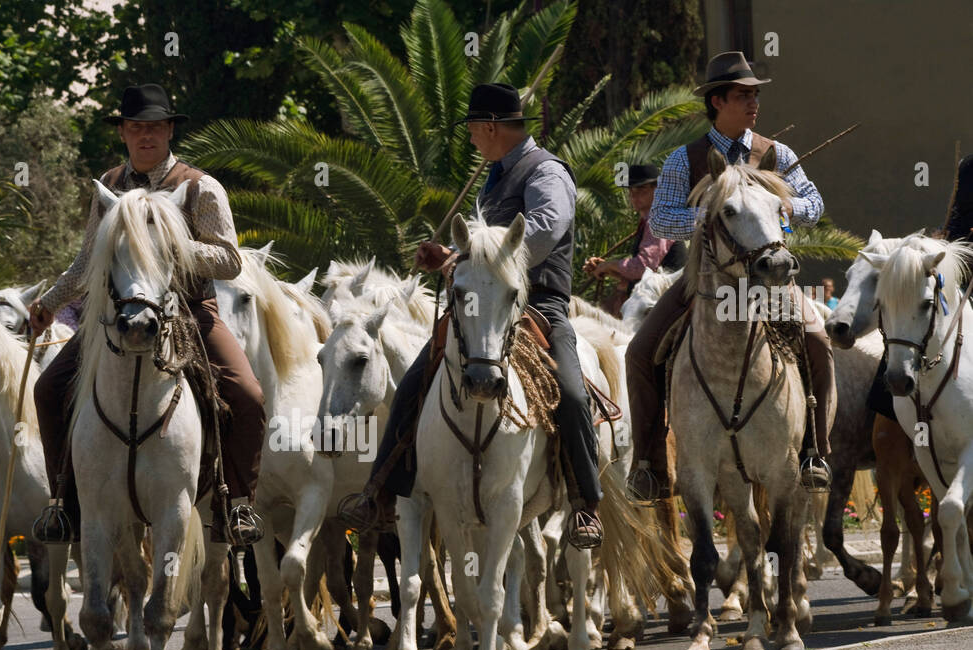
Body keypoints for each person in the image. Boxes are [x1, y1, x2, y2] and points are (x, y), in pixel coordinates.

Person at [339, 82, 603, 548]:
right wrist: (449, 257)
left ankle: (586, 503)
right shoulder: (495, 174)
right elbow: (481, 250)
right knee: (417, 379)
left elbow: (540, 235)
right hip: (479, 304)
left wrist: (475, 257)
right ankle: (380, 490)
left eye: (474, 132)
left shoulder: (546, 174)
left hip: (538, 303)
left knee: (573, 393)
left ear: (490, 127)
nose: (471, 140)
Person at [28, 84, 264, 546]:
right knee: (48, 388)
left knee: (249, 395)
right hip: (117, 314)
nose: (145, 136)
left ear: (170, 130)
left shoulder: (200, 187)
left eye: (154, 127)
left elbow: (231, 261)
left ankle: (235, 505)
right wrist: (49, 304)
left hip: (190, 312)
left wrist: (171, 246)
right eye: (136, 127)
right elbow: (86, 263)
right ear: (123, 133)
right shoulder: (108, 187)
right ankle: (64, 504)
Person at [623, 51, 833, 503]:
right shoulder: (685, 159)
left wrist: (783, 206)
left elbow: (815, 202)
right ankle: (650, 465)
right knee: (640, 352)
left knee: (818, 343)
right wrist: (712, 214)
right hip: (704, 283)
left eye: (755, 94)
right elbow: (661, 218)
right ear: (717, 101)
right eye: (743, 95)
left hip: (771, 283)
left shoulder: (778, 154)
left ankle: (815, 452)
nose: (754, 102)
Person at [581, 163, 685, 315]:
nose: (634, 196)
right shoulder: (649, 220)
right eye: (631, 191)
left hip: (669, 305)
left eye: (642, 190)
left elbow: (644, 268)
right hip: (660, 301)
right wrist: (607, 268)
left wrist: (609, 265)